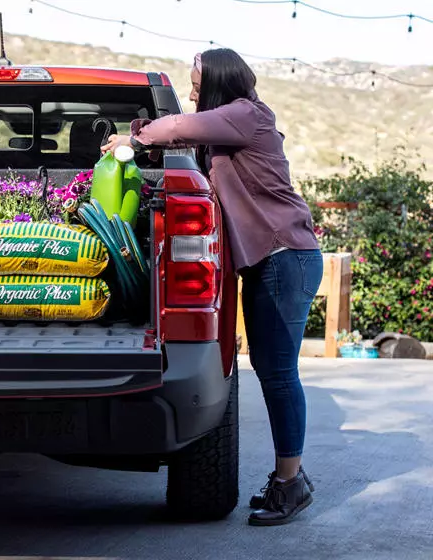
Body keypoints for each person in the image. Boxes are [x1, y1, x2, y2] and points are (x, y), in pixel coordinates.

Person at [102, 48, 323, 526]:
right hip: (270, 261)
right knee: (270, 368)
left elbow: (178, 126)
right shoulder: (229, 128)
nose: (192, 89)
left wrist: (133, 135)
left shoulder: (247, 115)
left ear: (221, 80)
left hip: (286, 257)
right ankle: (290, 479)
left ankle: (291, 482)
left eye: (198, 81)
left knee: (279, 371)